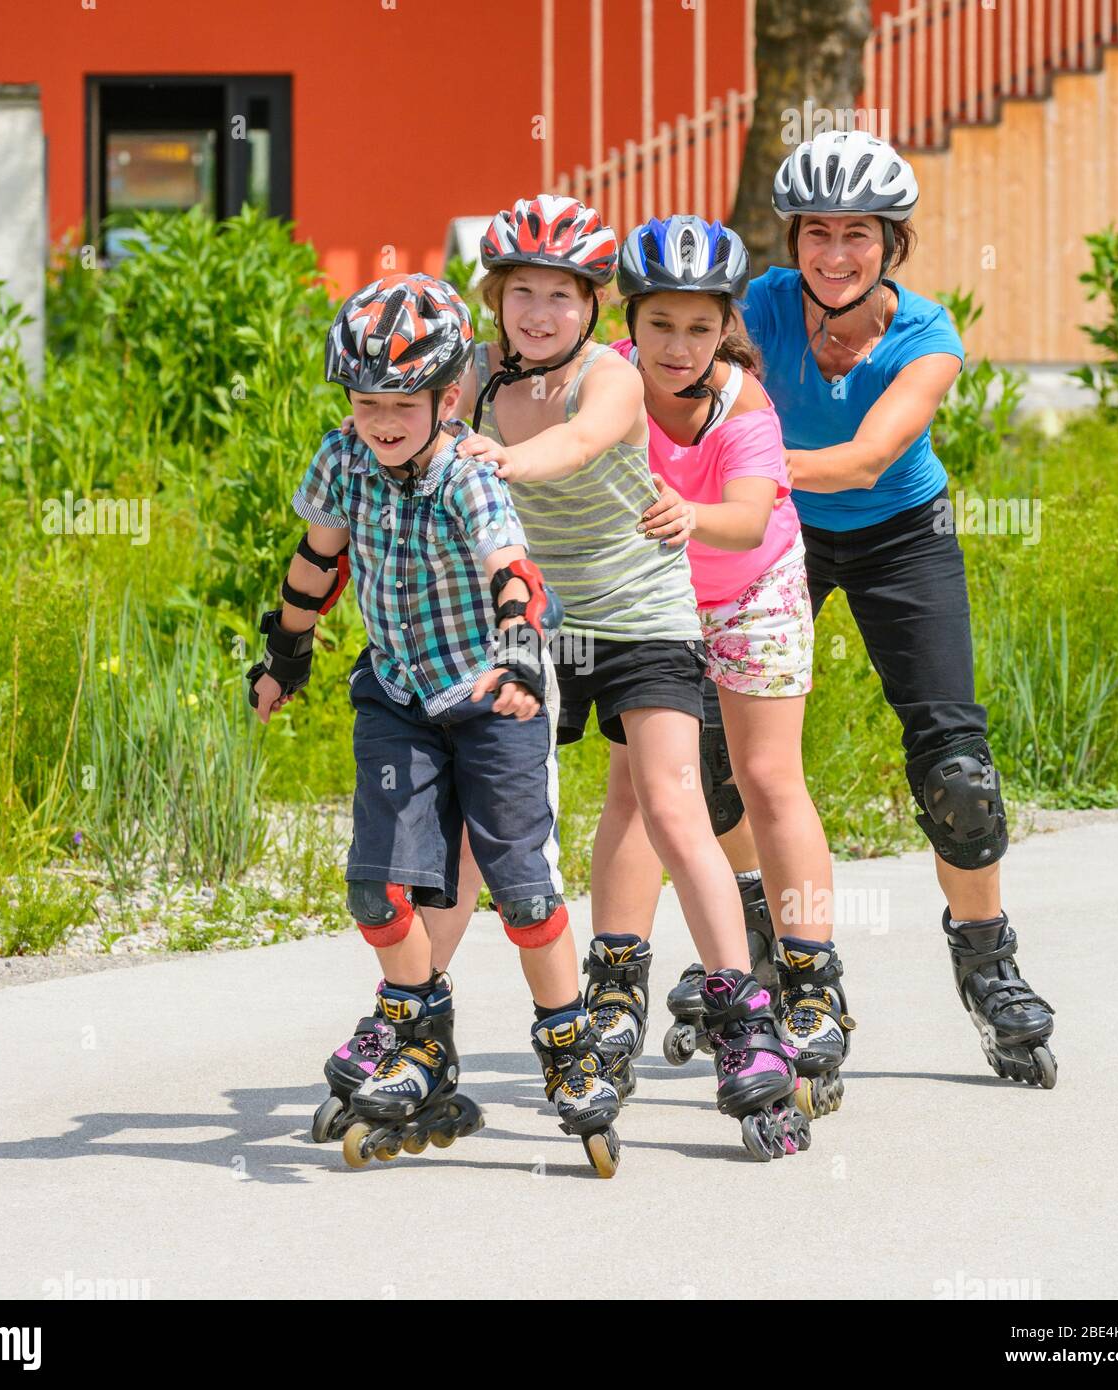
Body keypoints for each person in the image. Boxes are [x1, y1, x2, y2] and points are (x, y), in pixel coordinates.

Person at [456, 196, 810, 1160]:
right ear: (494, 300)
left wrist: (500, 459)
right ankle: (418, 1015)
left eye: (559, 296)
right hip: (546, 621)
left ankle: (748, 1023)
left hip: (646, 614)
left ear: (592, 305)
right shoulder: (478, 379)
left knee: (669, 802)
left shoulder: (609, 376)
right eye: (519, 293)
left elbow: (572, 446)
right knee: (476, 816)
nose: (537, 313)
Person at [249, 272, 624, 1176]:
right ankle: (421, 1038)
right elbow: (315, 561)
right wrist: (287, 657)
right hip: (397, 696)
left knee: (522, 889)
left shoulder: (469, 470)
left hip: (495, 696)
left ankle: (568, 1048)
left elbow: (511, 567)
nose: (379, 420)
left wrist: (522, 651)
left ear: (445, 396)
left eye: (399, 403)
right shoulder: (342, 460)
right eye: (364, 400)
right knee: (376, 889)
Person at [728, 128, 1055, 1088]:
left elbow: (867, 459)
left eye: (858, 234)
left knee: (957, 770)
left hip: (899, 530)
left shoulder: (928, 337)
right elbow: (663, 362)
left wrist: (732, 472)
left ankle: (988, 965)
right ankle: (763, 948)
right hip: (774, 532)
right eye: (816, 232)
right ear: (791, 241)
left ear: (892, 243)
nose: (834, 253)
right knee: (717, 760)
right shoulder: (756, 309)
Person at [599, 214, 851, 1119]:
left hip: (753, 585)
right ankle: (615, 986)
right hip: (652, 598)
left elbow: (747, 517)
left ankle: (811, 976)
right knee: (637, 785)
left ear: (724, 328)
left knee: (766, 775)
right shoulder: (606, 385)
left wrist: (686, 514)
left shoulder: (743, 403)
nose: (677, 346)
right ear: (630, 318)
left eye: (699, 327)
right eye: (659, 324)